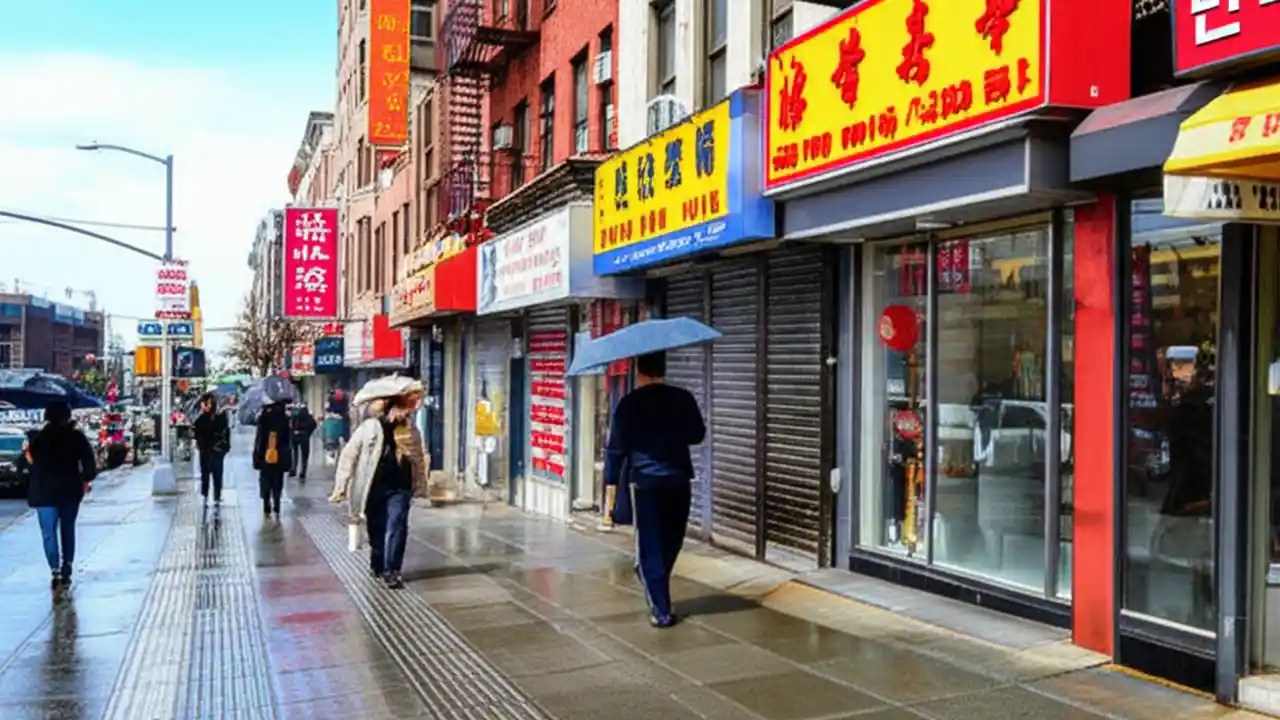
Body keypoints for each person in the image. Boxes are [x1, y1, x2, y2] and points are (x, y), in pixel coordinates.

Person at [603, 351, 706, 628]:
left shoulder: (628, 404)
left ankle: (654, 586)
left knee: (655, 544)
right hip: (676, 479)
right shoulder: (682, 398)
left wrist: (610, 486)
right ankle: (661, 605)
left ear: (639, 372)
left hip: (647, 482)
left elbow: (615, 449)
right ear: (663, 369)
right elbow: (698, 434)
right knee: (670, 540)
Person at [329, 377, 428, 590]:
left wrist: (421, 485)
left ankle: (392, 570)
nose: (406, 413)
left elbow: (419, 459)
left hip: (400, 487)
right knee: (377, 528)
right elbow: (349, 455)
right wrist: (341, 486)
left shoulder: (410, 432)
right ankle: (378, 560)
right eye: (402, 408)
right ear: (390, 408)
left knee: (397, 525)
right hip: (372, 487)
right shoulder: (370, 428)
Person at [27, 400, 97, 591]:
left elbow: (28, 463)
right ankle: (67, 564)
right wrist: (85, 479)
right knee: (68, 528)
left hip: (43, 493)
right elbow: (89, 464)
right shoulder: (76, 438)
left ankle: (55, 569)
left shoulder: (37, 439)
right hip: (69, 490)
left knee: (48, 532)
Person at [253, 401, 293, 519]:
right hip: (280, 455)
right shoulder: (284, 418)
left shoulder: (264, 418)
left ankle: (266, 504)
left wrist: (257, 457)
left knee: (266, 479)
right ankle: (277, 504)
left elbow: (259, 439)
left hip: (265, 454)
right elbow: (287, 440)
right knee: (277, 480)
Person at [192, 392, 230, 504]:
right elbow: (196, 433)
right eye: (204, 403)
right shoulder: (202, 418)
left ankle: (212, 494)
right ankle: (208, 494)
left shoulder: (219, 417)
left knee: (213, 473)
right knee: (208, 473)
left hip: (214, 450)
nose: (204, 406)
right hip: (208, 450)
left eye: (206, 403)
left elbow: (225, 432)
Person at [289, 403, 318, 481]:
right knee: (304, 456)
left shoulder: (294, 415)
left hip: (295, 436)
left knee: (295, 453)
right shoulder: (308, 417)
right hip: (304, 436)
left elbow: (290, 426)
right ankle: (303, 472)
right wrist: (308, 433)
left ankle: (293, 469)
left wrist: (292, 432)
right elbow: (314, 424)